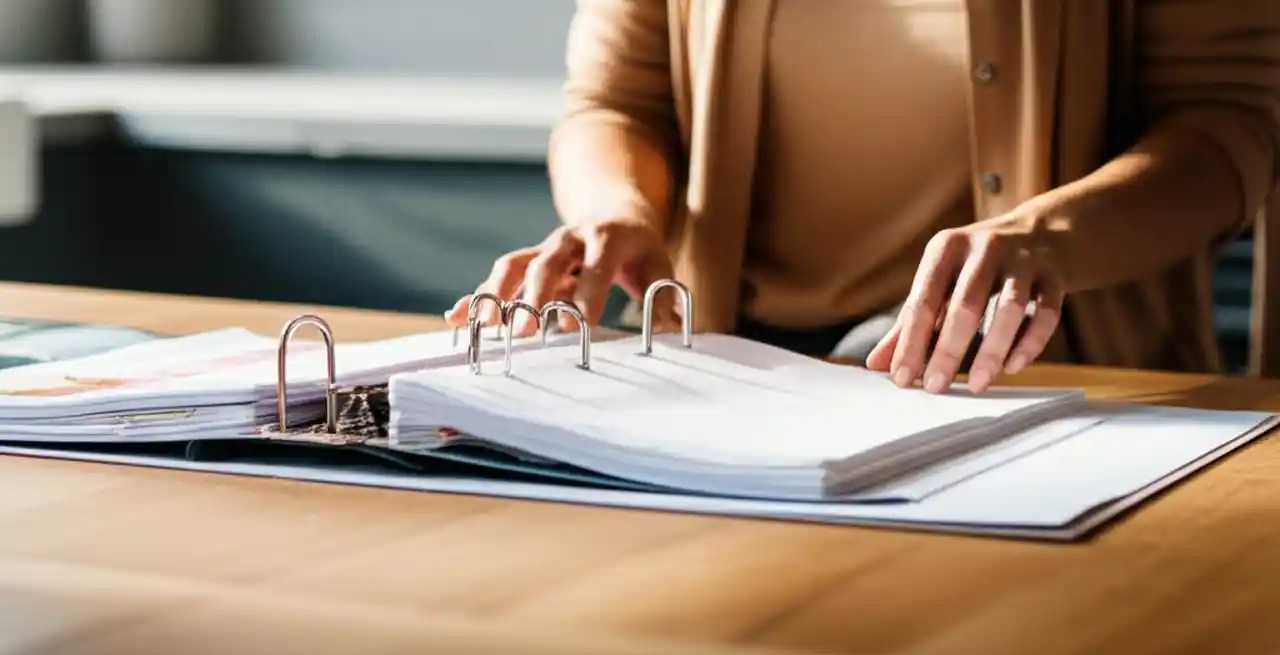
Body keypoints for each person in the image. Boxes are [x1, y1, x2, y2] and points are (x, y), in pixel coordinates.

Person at [446, 0, 1279, 394]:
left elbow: (1231, 125)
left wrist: (1048, 234)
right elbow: (614, 104)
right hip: (735, 369)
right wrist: (618, 208)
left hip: (1053, 375)